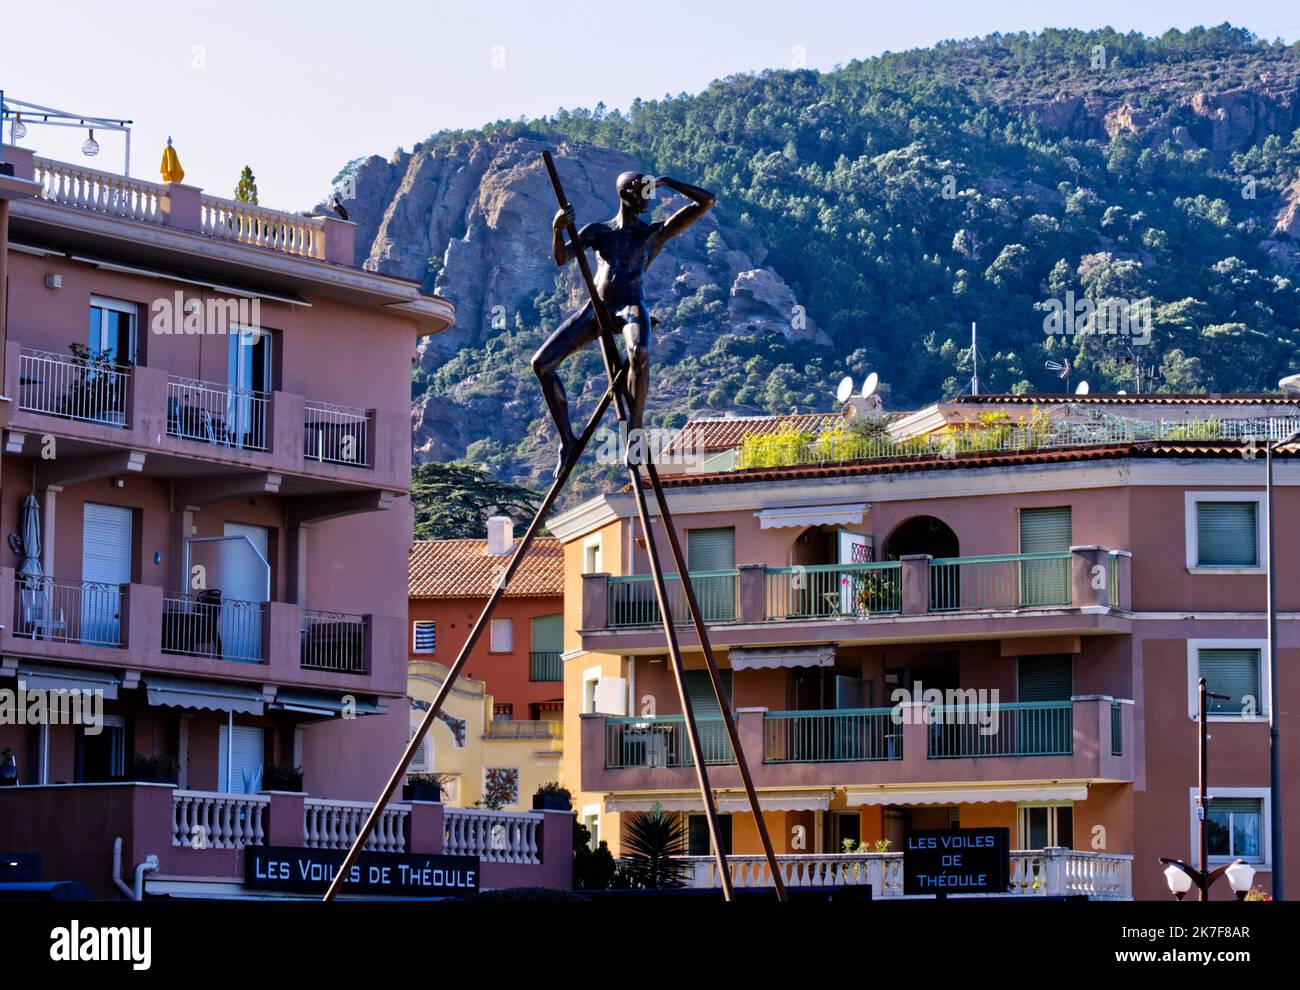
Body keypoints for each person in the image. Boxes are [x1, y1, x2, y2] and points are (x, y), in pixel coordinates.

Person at [532, 170, 715, 475]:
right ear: (624, 194)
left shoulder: (653, 233)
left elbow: (706, 201)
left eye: (649, 193)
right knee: (541, 364)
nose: (647, 200)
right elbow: (562, 258)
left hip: (630, 305)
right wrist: (557, 229)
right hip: (598, 308)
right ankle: (567, 441)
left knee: (640, 352)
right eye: (641, 193)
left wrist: (668, 182)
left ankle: (635, 431)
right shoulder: (598, 231)